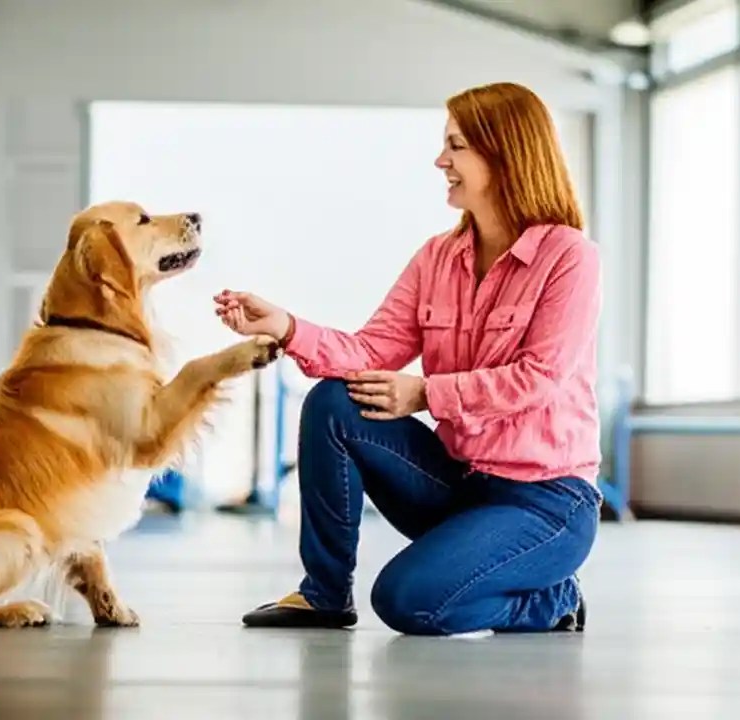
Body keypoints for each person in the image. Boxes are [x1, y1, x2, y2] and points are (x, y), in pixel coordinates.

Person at [213, 81, 602, 636]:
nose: (441, 160)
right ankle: (324, 595)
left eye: (457, 146)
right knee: (335, 402)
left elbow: (538, 378)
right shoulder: (437, 257)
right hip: (460, 483)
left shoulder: (569, 256)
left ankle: (551, 600)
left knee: (408, 601)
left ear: (505, 152)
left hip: (545, 503)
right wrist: (287, 326)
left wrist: (424, 393)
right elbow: (370, 353)